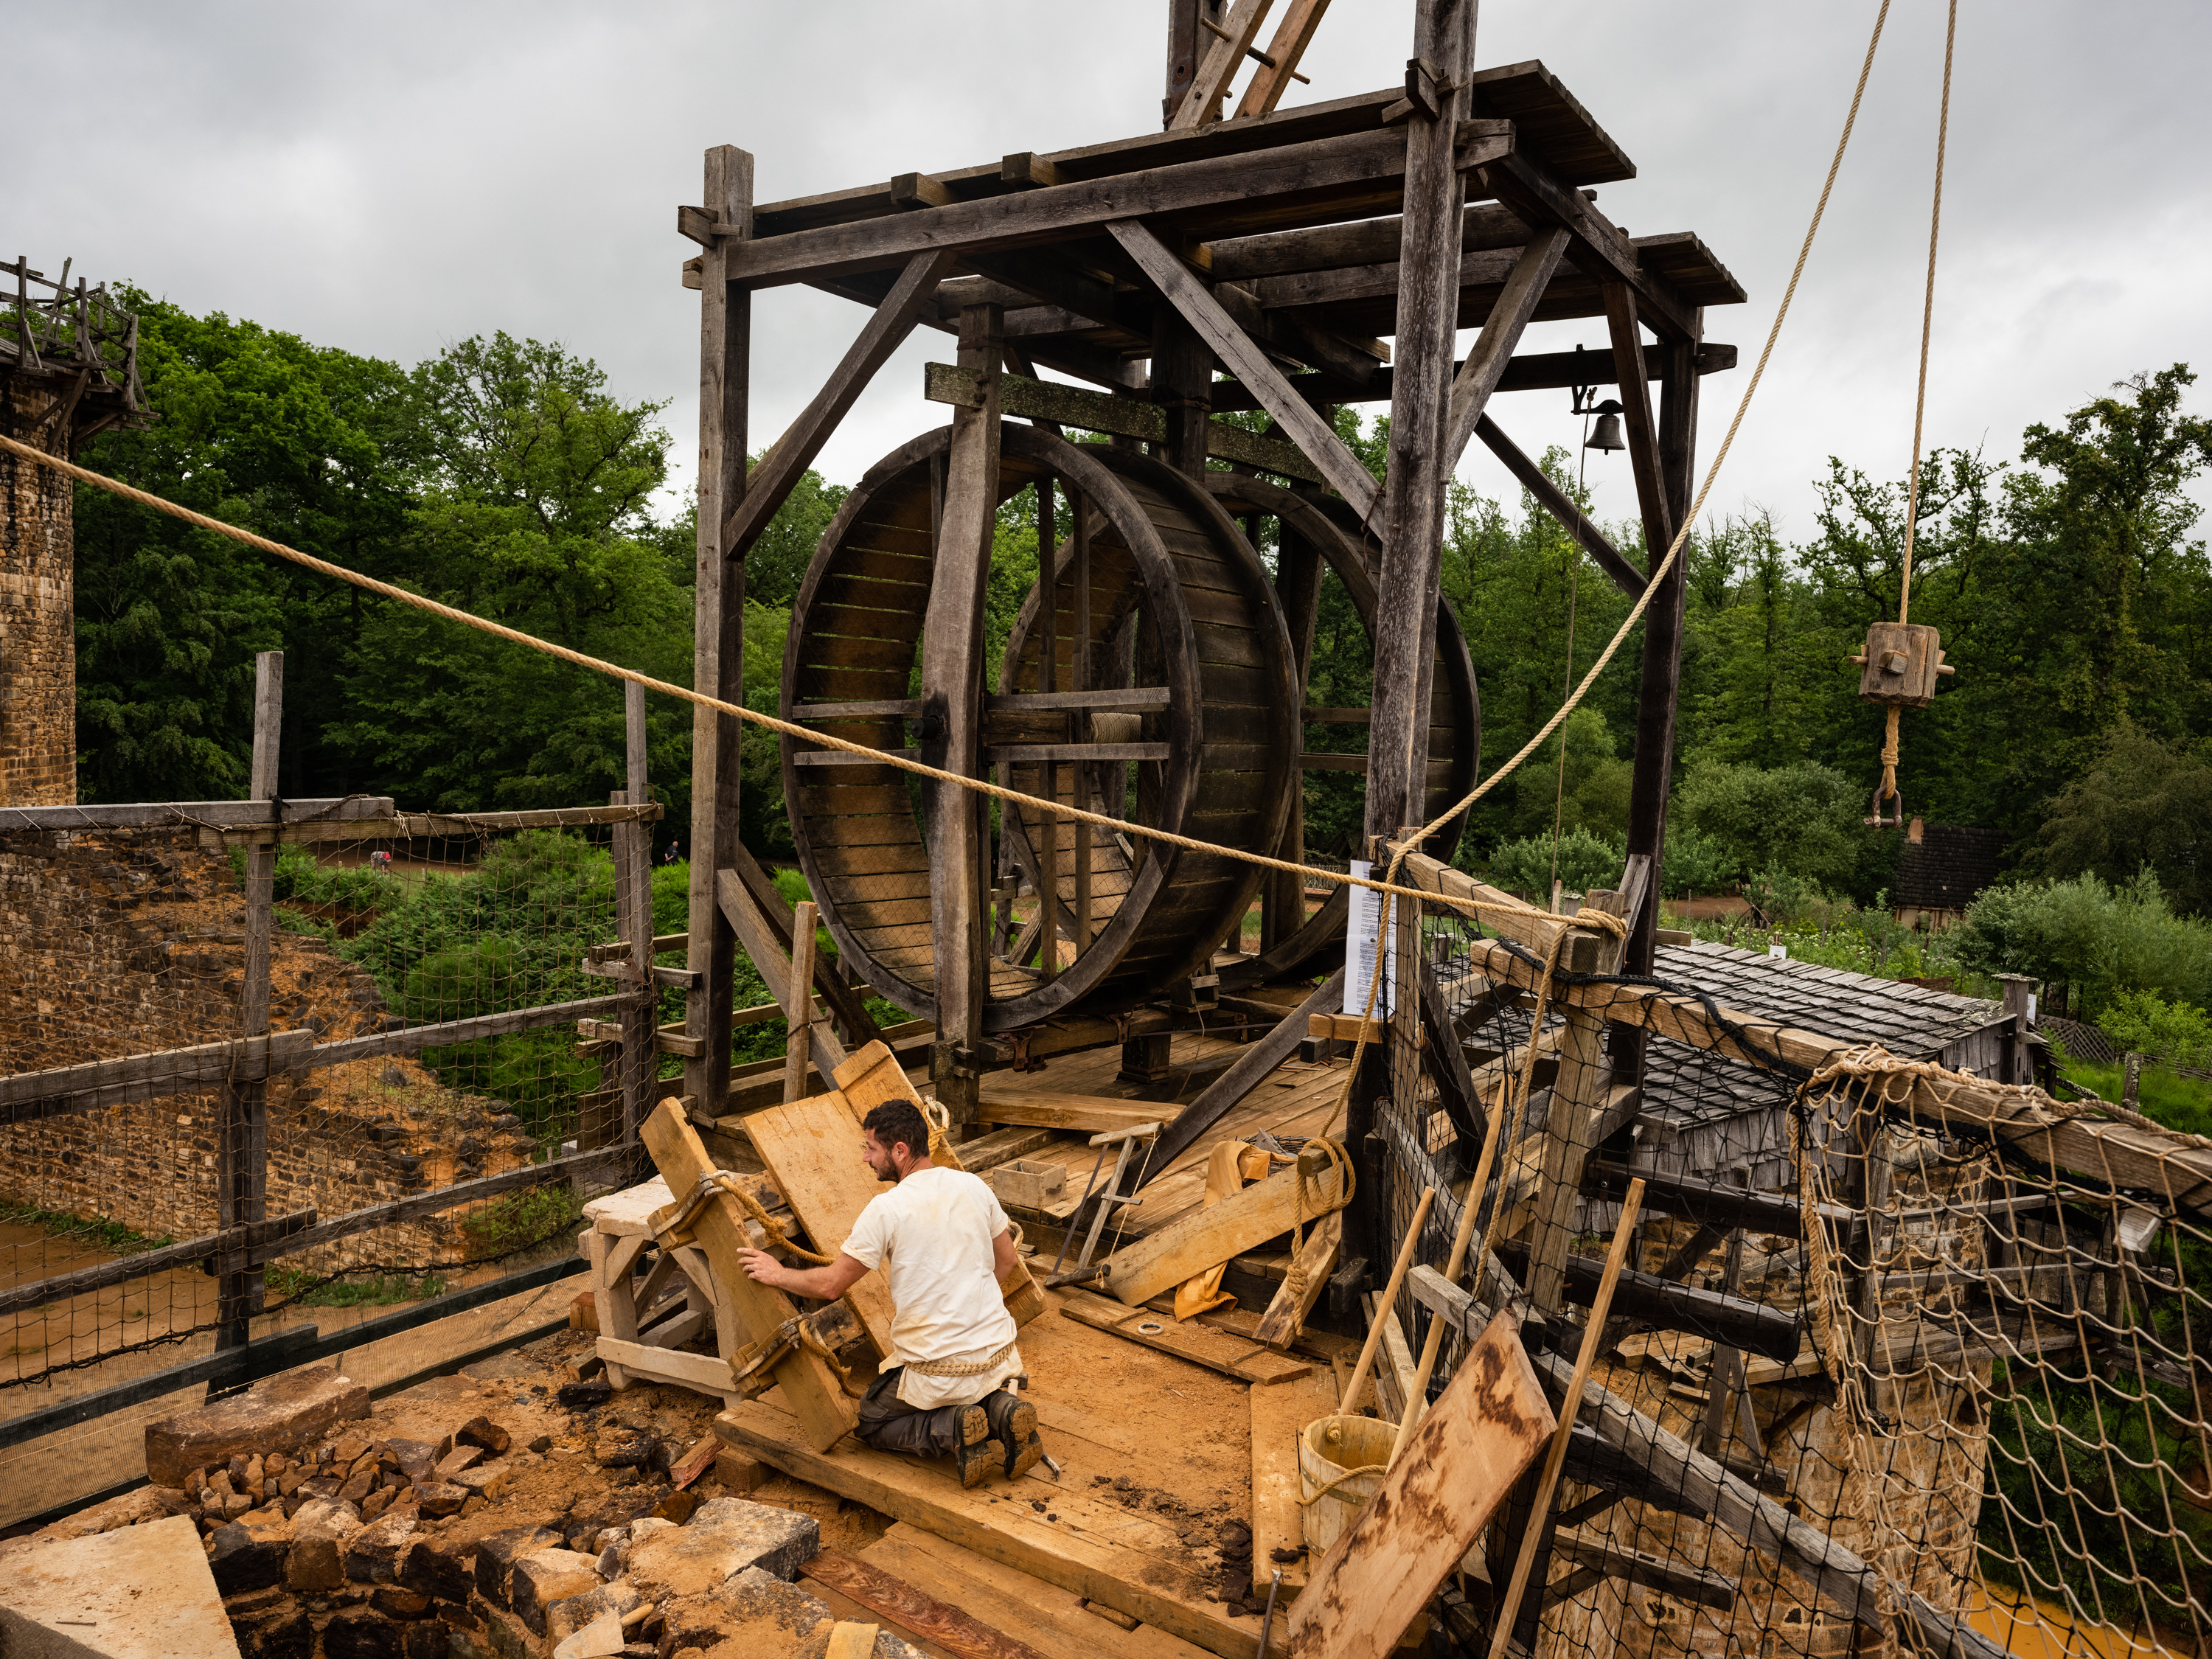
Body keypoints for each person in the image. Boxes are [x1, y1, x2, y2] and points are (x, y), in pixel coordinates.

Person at [734, 1099, 1043, 1487]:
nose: (866, 1158)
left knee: (870, 1421)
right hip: (998, 1353)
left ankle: (952, 1428)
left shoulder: (888, 1208)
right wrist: (968, 1300)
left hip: (938, 1367)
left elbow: (831, 1285)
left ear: (900, 1150)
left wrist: (778, 1273)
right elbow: (1008, 1260)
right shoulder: (973, 1185)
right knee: (966, 1388)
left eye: (871, 1148)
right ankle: (1000, 1411)